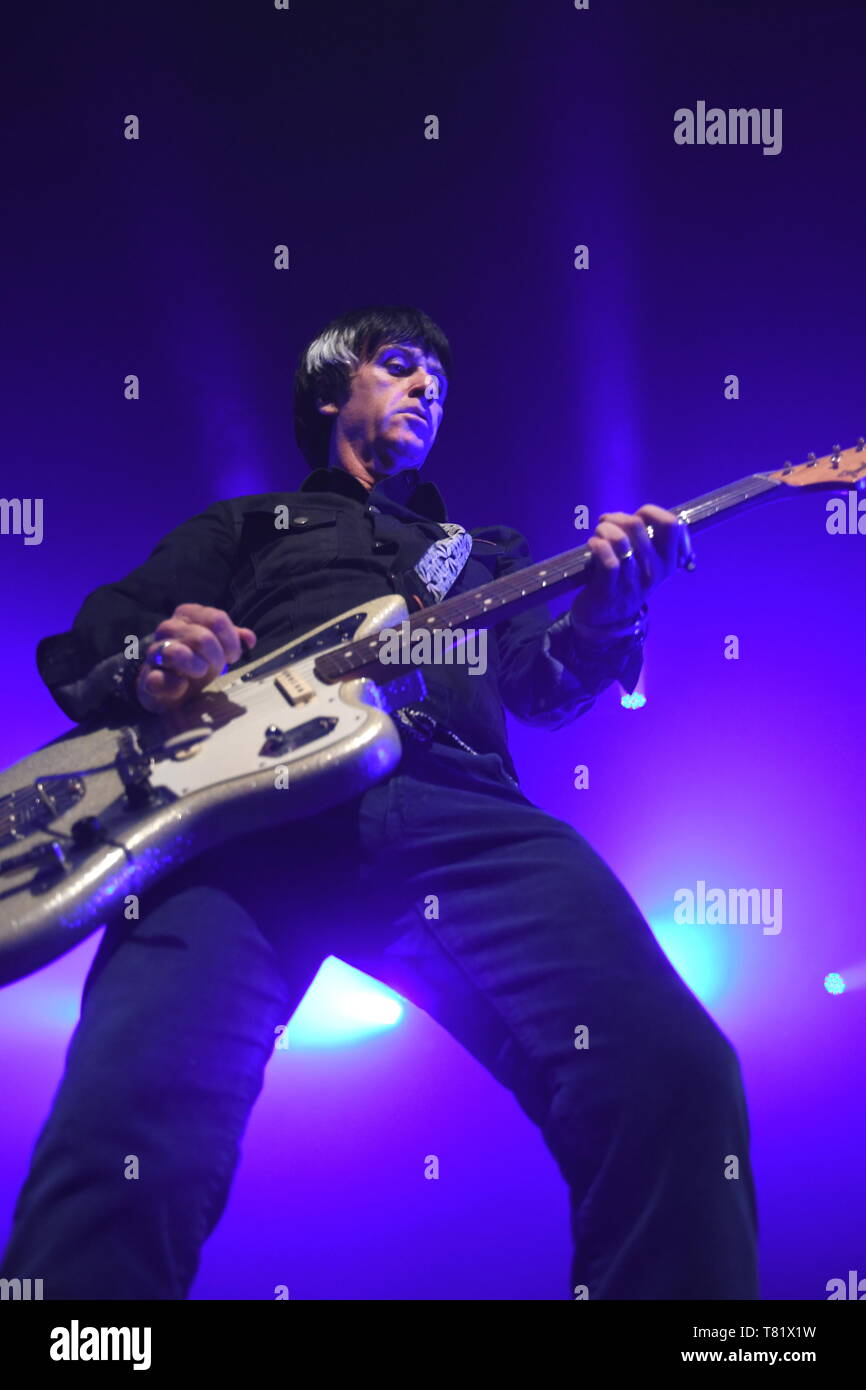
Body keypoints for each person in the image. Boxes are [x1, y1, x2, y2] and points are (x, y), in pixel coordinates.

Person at [0, 305, 758, 1299]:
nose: (425, 389)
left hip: (457, 805)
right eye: (398, 367)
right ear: (329, 394)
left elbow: (542, 689)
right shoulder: (247, 523)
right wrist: (154, 657)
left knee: (673, 1072)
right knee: (128, 1116)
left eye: (436, 384)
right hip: (232, 817)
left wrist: (605, 620)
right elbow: (103, 633)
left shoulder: (476, 550)